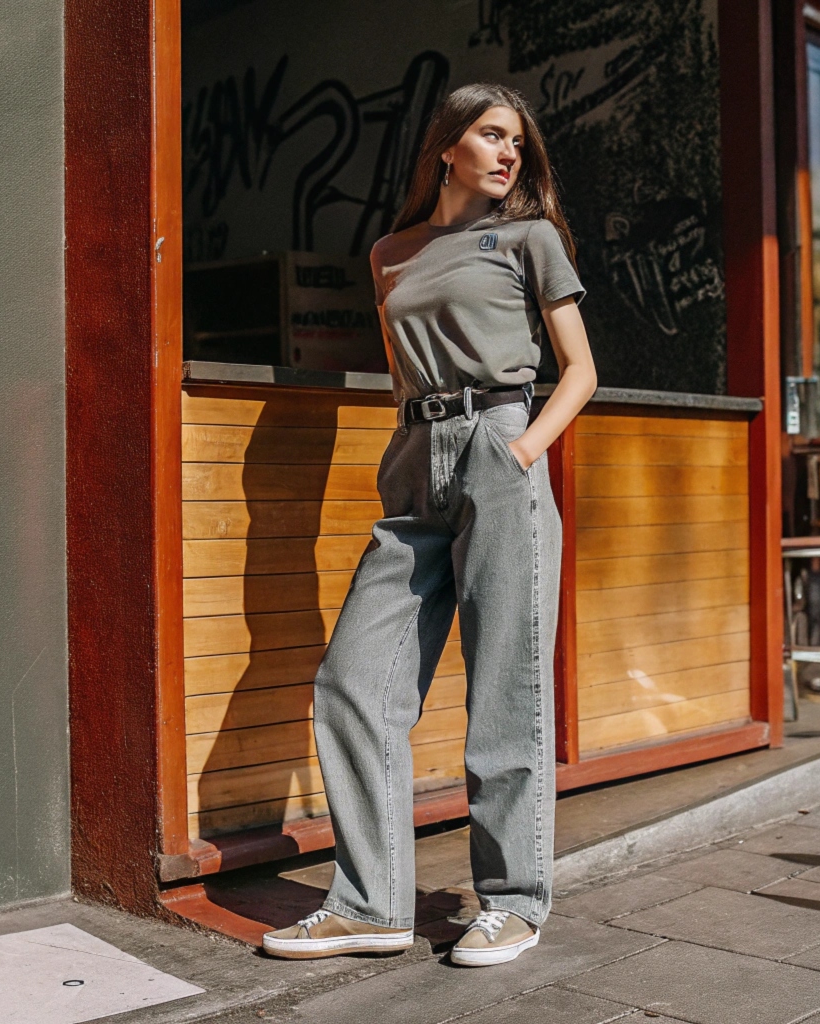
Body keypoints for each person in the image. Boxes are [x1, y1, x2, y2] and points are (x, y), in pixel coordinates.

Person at [261, 83, 597, 968]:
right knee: (352, 683)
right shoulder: (390, 253)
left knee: (504, 690)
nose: (507, 153)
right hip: (415, 458)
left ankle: (514, 902)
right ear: (446, 146)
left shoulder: (529, 239)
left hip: (498, 444)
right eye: (490, 135)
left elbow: (580, 371)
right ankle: (372, 906)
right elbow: (400, 369)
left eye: (516, 142)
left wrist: (520, 454)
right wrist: (426, 448)